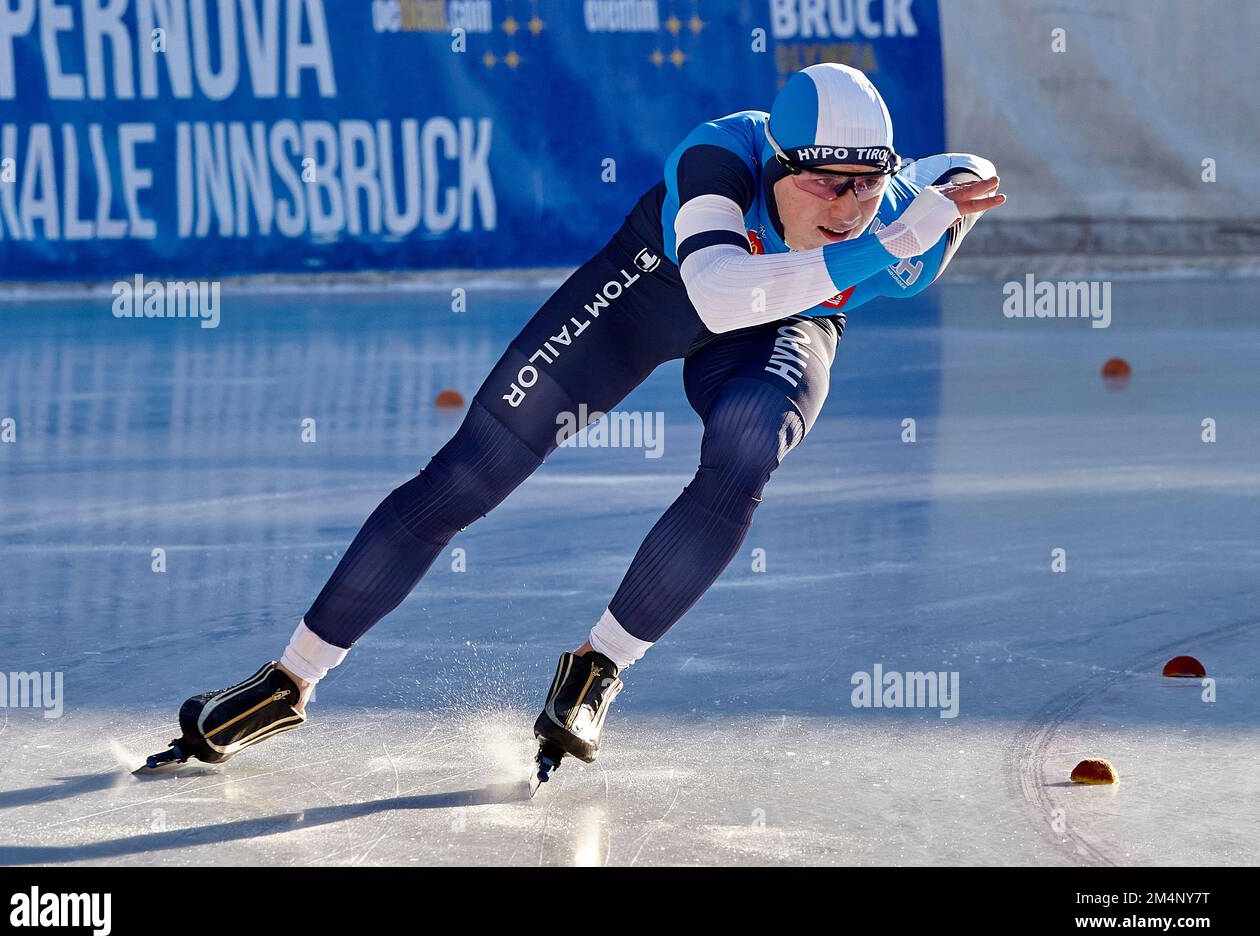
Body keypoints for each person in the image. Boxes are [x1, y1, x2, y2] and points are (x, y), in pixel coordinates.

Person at [140, 63, 1005, 780]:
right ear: (776, 164)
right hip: (650, 296)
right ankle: (289, 680)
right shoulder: (721, 160)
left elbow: (952, 173)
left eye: (868, 185)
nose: (850, 204)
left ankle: (599, 665)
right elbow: (715, 289)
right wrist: (884, 245)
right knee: (469, 473)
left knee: (748, 445)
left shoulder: (907, 223)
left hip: (785, 322)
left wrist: (928, 207)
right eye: (825, 181)